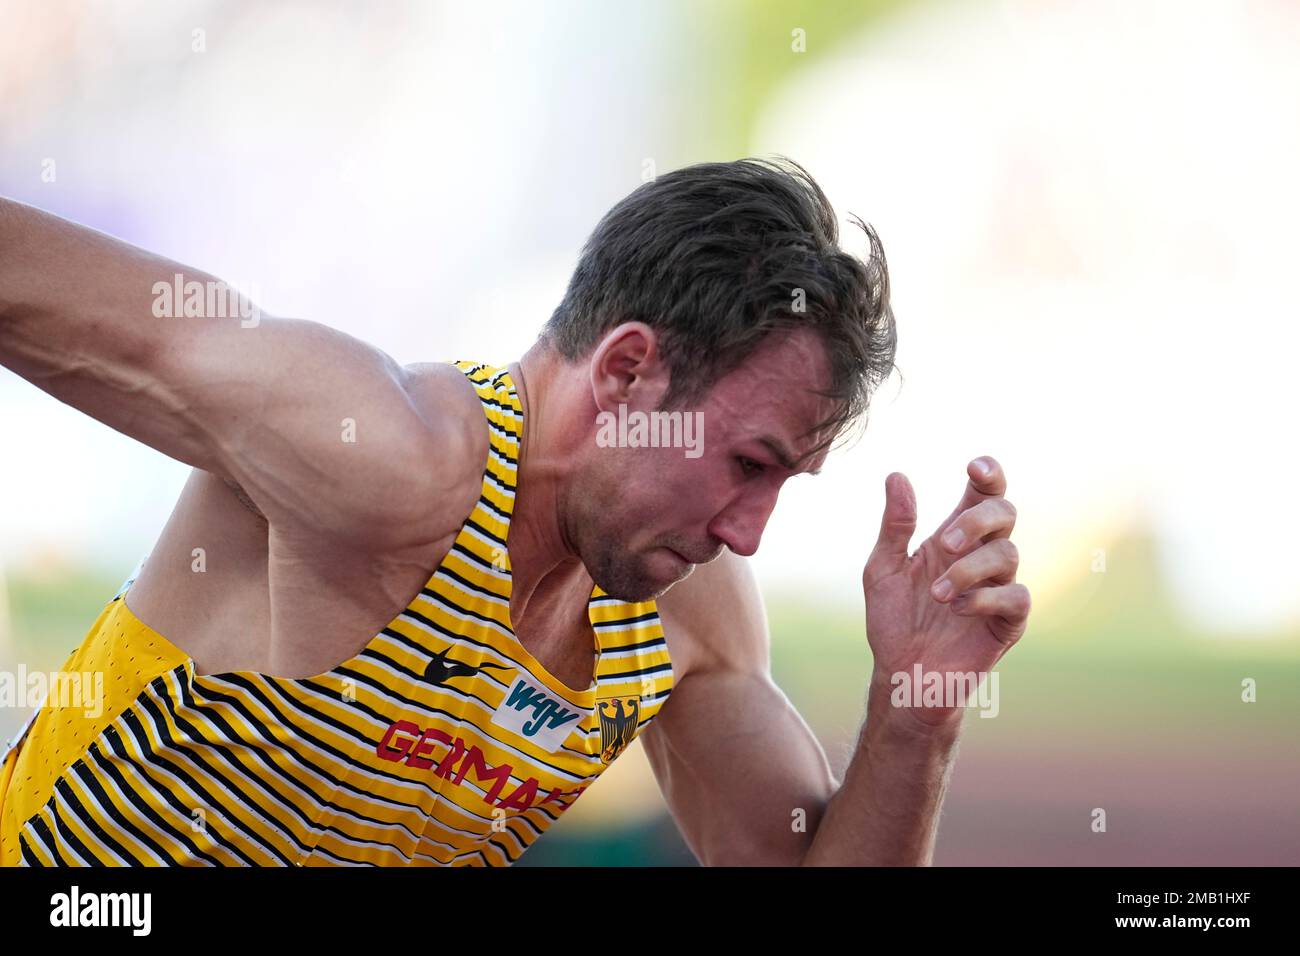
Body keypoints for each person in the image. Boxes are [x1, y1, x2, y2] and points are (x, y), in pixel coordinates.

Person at [0, 157, 1029, 866]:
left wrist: (915, 712)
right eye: (747, 463)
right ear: (627, 368)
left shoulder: (683, 616)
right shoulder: (382, 454)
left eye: (780, 484)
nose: (746, 531)